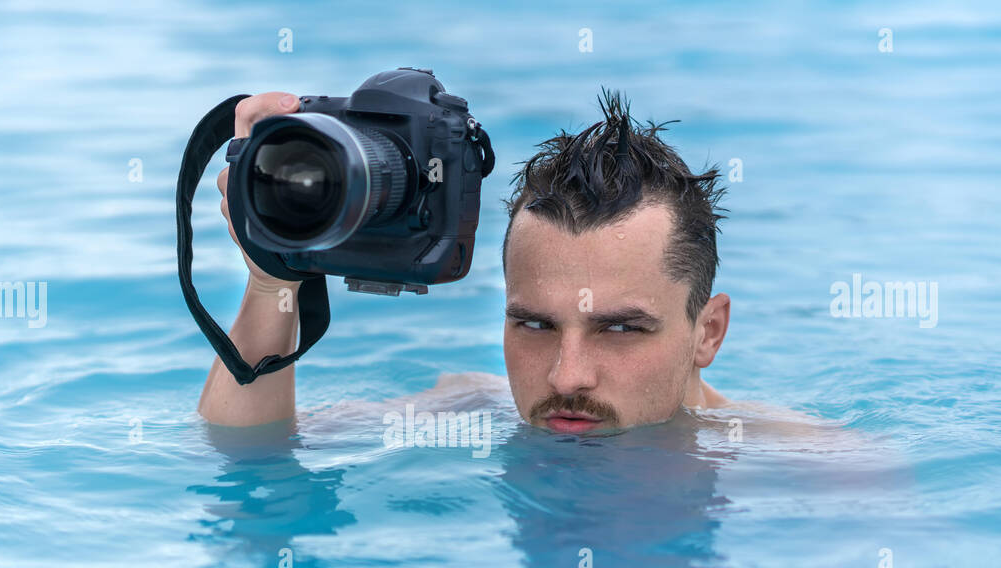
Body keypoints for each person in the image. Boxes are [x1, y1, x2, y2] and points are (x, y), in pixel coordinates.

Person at [197, 89, 736, 436]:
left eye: (620, 328)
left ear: (707, 332)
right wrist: (274, 284)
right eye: (534, 324)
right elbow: (243, 450)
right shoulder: (470, 407)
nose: (567, 377)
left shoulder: (794, 469)